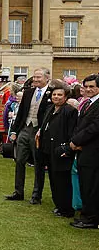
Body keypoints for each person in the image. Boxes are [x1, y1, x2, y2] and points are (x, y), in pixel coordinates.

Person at [5, 68, 52, 204]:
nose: (36, 80)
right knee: (19, 160)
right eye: (35, 77)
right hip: (25, 129)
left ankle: (36, 195)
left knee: (38, 163)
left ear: (47, 78)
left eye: (39, 77)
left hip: (39, 131)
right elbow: (21, 113)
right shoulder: (28, 92)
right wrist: (14, 131)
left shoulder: (51, 93)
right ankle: (18, 192)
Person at [37, 80, 78, 218]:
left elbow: (72, 132)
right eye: (54, 94)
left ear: (65, 97)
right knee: (54, 180)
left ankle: (66, 209)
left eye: (60, 95)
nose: (56, 97)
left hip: (62, 150)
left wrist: (67, 149)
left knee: (63, 181)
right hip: (49, 149)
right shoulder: (50, 109)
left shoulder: (70, 111)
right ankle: (59, 205)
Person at [69, 74, 99, 229]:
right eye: (86, 86)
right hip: (83, 150)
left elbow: (93, 128)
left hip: (93, 151)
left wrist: (75, 141)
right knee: (84, 184)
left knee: (91, 186)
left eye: (92, 86)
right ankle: (86, 215)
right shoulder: (87, 103)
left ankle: (91, 218)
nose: (88, 89)